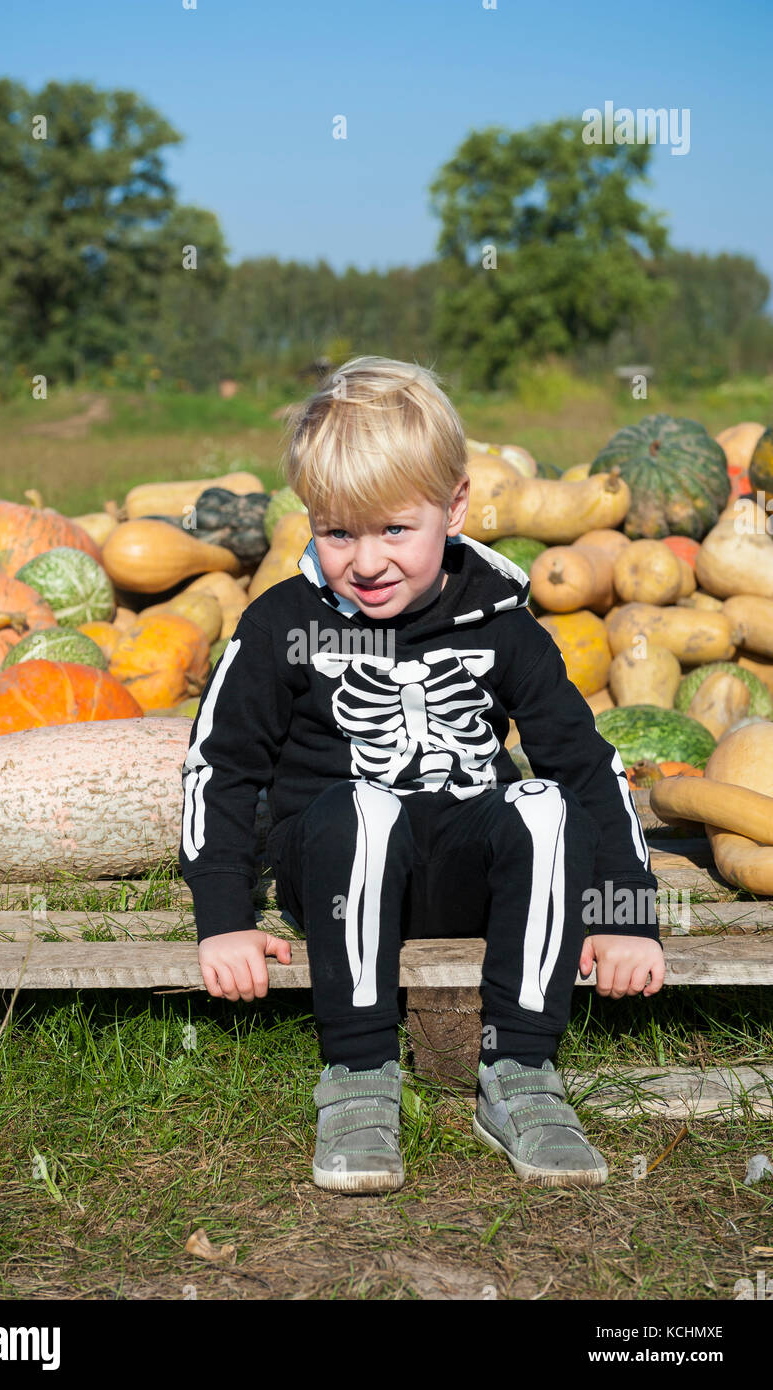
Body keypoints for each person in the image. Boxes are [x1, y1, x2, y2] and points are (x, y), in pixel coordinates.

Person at [179, 356, 666, 1195]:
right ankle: (360, 1076)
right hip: (334, 863)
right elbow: (220, 766)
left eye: (395, 530)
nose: (365, 562)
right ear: (310, 521)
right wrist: (223, 916)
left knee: (544, 803)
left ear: (456, 507)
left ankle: (521, 1071)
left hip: (461, 861)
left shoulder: (503, 623)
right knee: (364, 809)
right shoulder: (284, 624)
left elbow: (585, 766)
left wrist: (627, 912)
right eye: (337, 533)